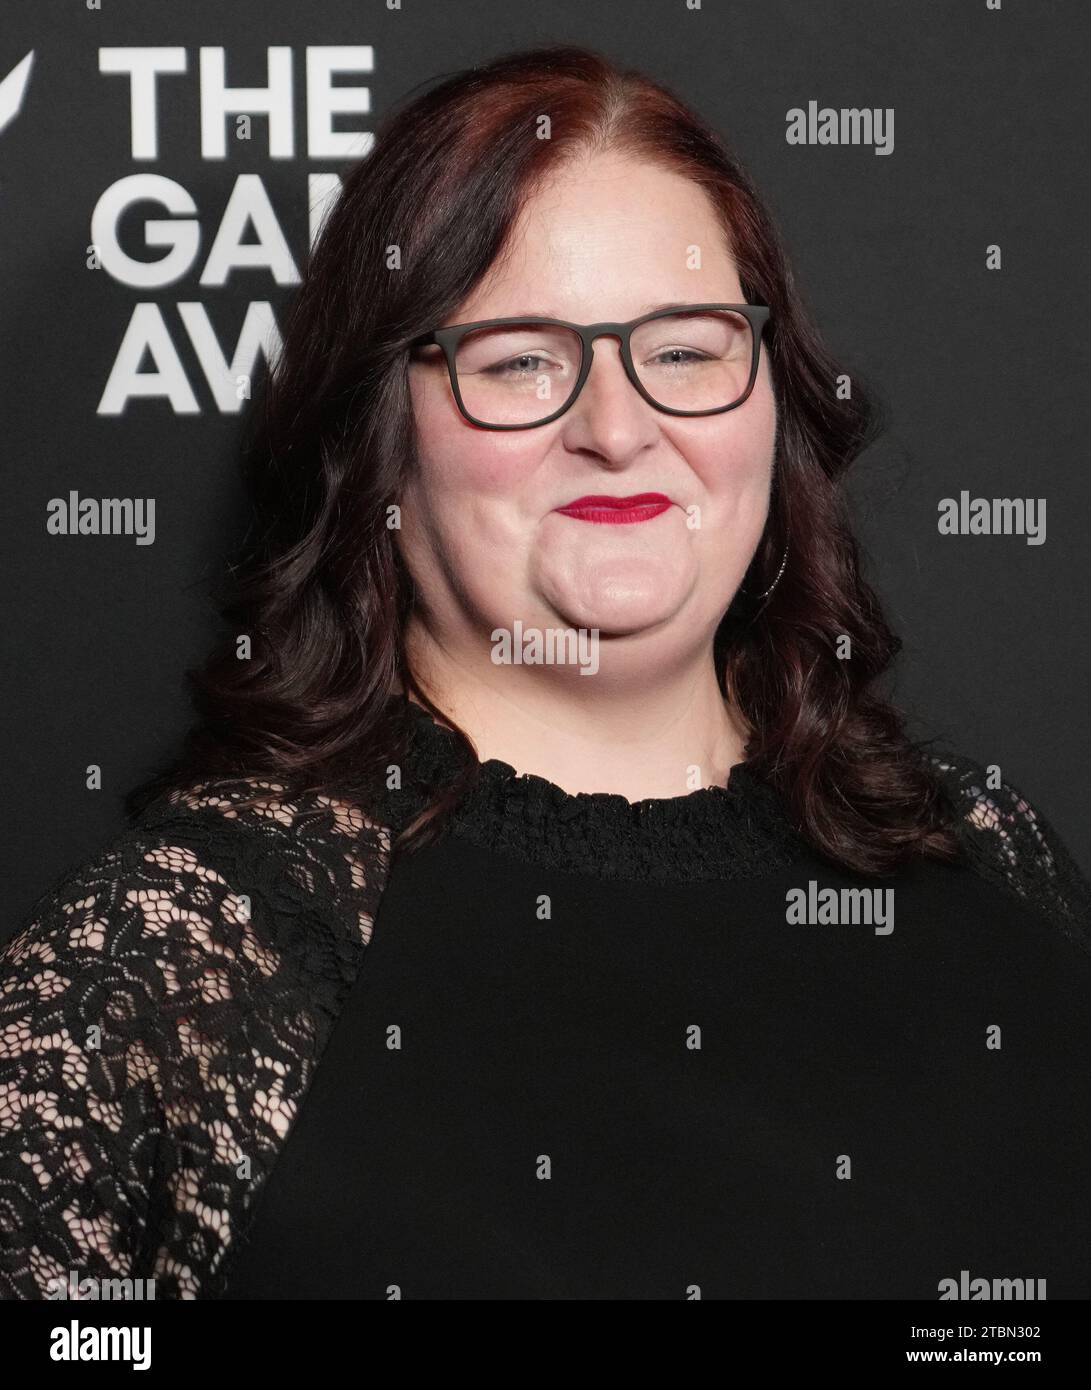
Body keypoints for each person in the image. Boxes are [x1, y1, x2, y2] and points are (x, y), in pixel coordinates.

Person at [2, 45, 1089, 1302]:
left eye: (683, 351)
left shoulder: (980, 844)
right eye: (519, 359)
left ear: (772, 397)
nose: (616, 429)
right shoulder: (188, 958)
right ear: (377, 433)